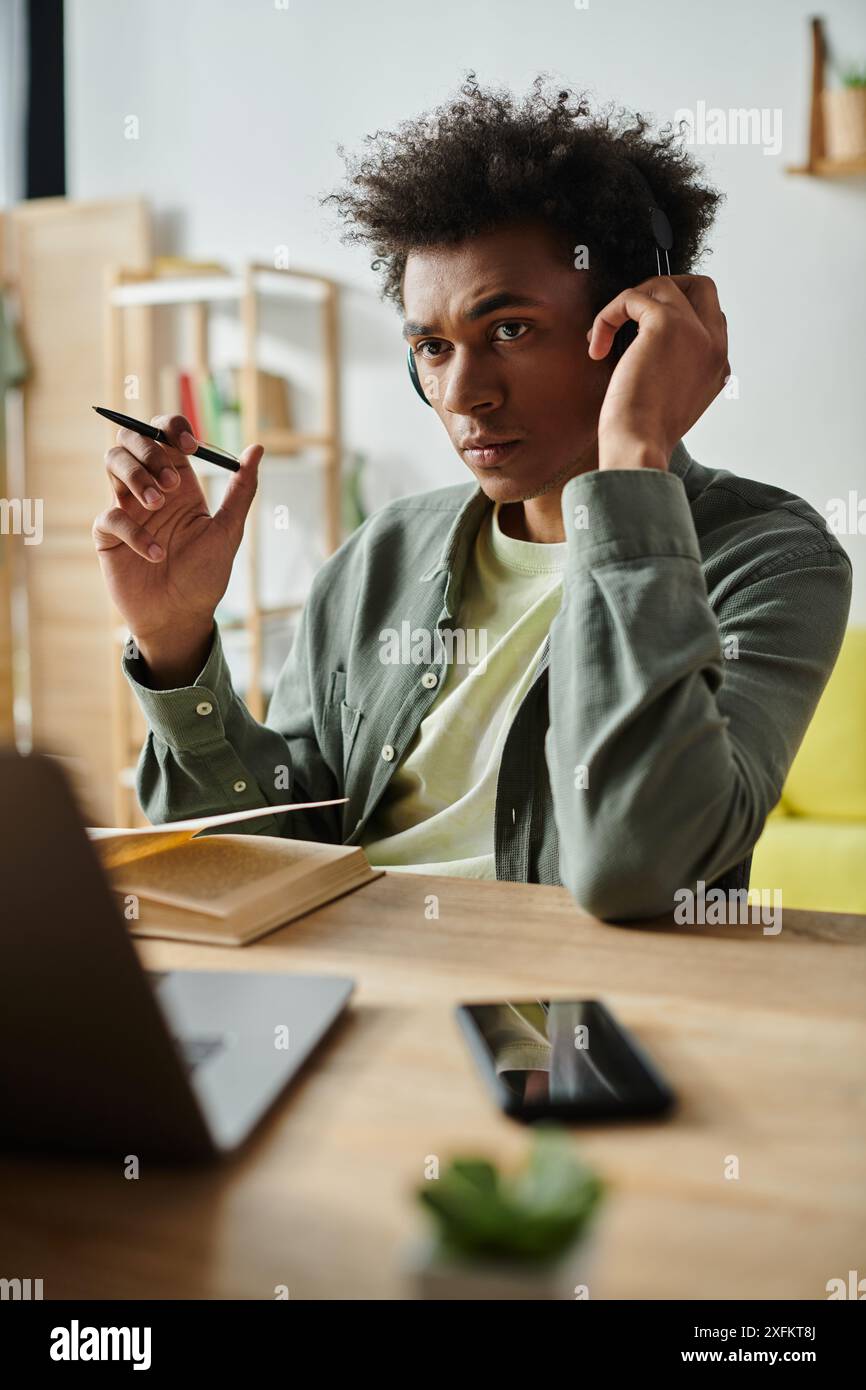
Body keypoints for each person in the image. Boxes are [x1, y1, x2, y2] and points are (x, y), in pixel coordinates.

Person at [92, 76, 851, 921]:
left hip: (567, 1037)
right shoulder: (382, 555)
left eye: (510, 330)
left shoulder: (770, 557)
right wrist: (173, 643)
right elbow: (267, 848)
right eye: (431, 346)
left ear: (633, 329)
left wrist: (633, 458)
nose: (461, 395)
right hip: (359, 1003)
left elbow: (644, 865)